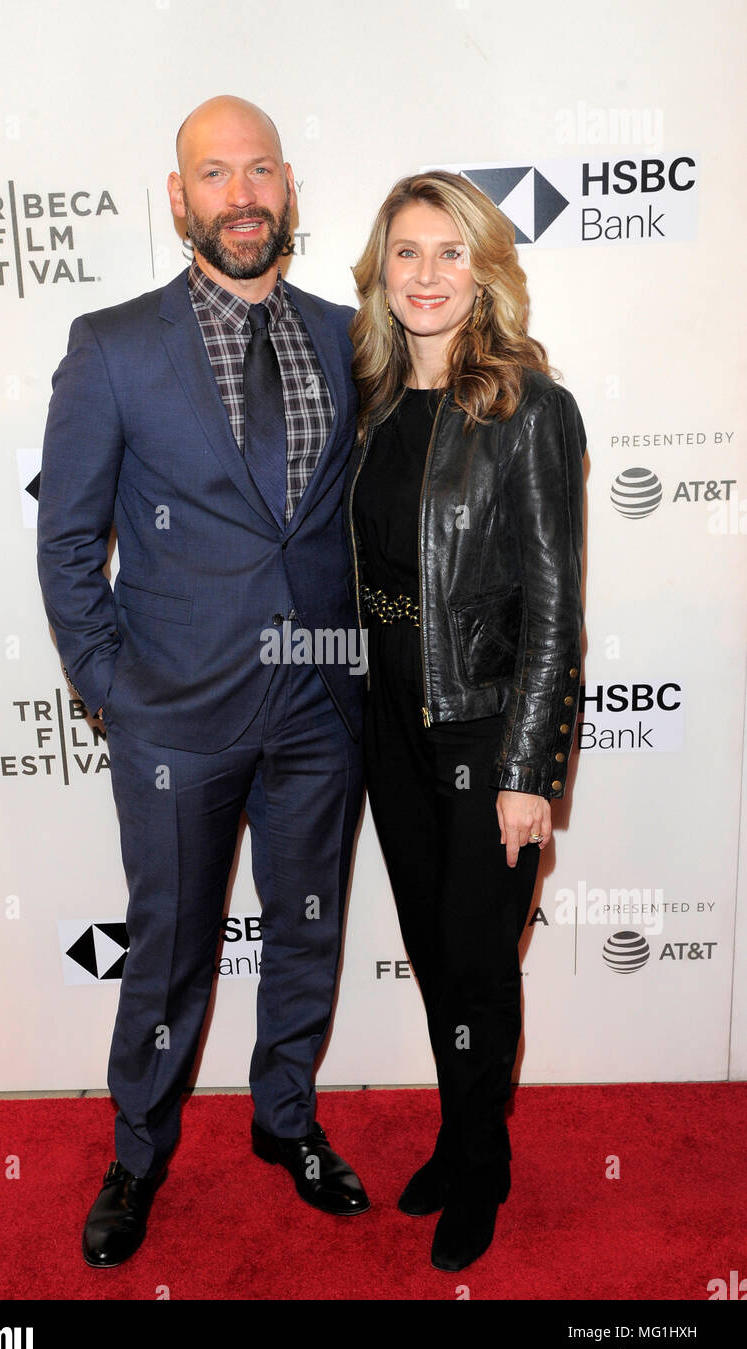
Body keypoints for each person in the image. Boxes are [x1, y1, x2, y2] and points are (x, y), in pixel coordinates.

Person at [37, 95, 370, 1270]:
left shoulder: (347, 333)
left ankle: (287, 1120)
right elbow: (69, 542)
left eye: (262, 171)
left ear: (289, 190)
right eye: (215, 175)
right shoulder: (113, 346)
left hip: (321, 701)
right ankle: (139, 1148)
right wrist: (109, 686)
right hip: (174, 710)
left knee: (308, 929)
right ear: (178, 200)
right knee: (171, 943)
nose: (243, 195)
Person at [344, 171, 586, 1272]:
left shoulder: (527, 406)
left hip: (482, 732)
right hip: (390, 720)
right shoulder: (379, 400)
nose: (426, 275)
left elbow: (552, 603)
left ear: (482, 269)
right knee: (434, 956)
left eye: (449, 252)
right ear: (380, 273)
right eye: (406, 253)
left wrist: (529, 766)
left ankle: (481, 1165)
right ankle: (459, 1132)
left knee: (480, 962)